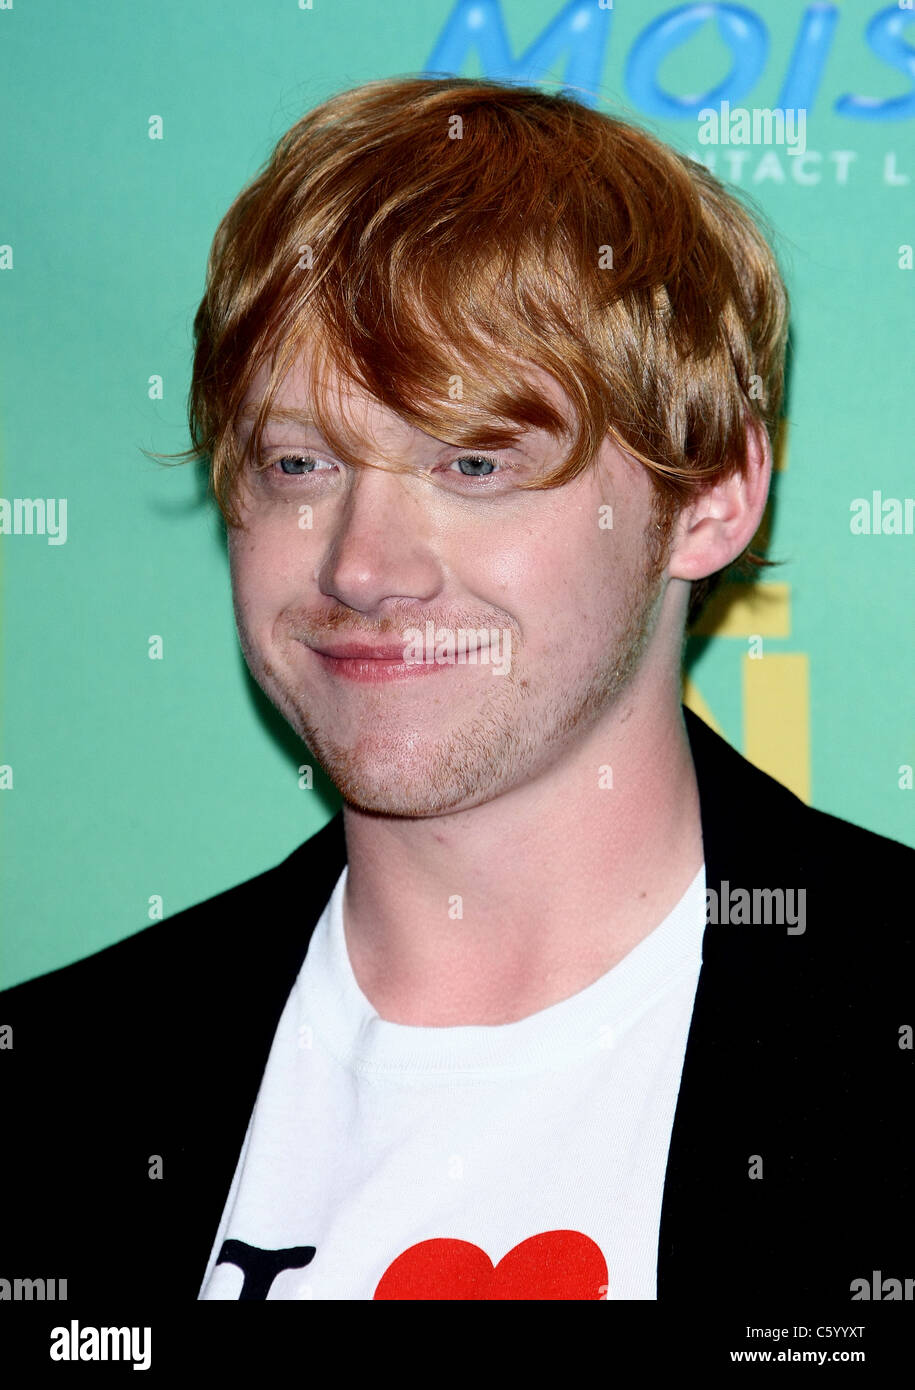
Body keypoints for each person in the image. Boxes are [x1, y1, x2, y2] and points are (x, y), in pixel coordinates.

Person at [1, 75, 911, 1306]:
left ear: (711, 497)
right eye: (298, 461)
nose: (363, 566)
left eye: (474, 461)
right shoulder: (52, 1085)